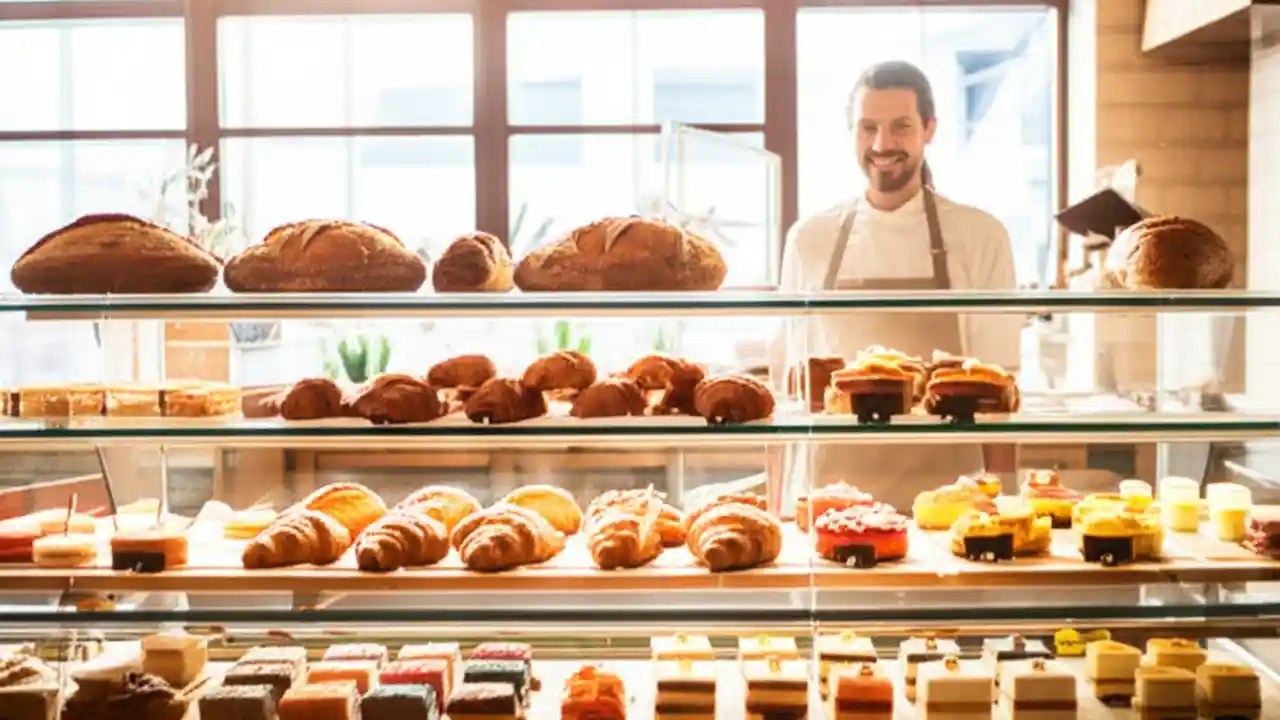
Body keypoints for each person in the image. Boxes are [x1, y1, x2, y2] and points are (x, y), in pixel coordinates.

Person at [771, 60, 1022, 511]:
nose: (882, 144)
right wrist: (779, 514)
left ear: (930, 128)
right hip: (834, 501)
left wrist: (1002, 511)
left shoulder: (981, 236)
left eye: (901, 127)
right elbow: (786, 397)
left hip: (951, 505)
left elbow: (998, 397)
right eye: (867, 128)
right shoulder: (809, 239)